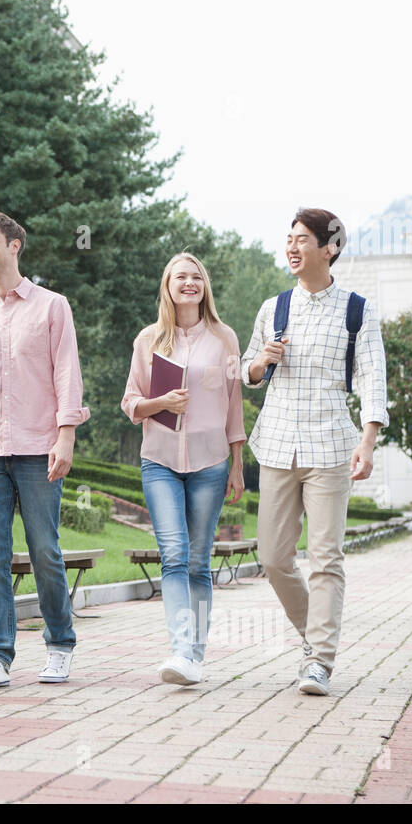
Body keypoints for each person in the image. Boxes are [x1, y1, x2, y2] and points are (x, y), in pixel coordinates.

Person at [241, 208, 389, 696]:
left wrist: (367, 441)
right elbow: (246, 371)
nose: (292, 246)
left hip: (330, 447)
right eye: (289, 238)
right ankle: (315, 638)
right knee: (274, 557)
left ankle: (320, 661)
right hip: (278, 445)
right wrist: (261, 360)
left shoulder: (356, 310)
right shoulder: (273, 308)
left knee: (325, 558)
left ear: (330, 248)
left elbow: (372, 377)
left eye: (302, 239)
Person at [0, 212, 90, 690]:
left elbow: (67, 372)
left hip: (37, 446)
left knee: (45, 551)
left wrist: (66, 434)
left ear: (15, 247)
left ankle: (60, 645)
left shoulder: (52, 307)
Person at [121, 253, 246, 686]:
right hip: (160, 461)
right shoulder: (149, 340)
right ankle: (179, 650)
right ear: (168, 286)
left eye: (196, 277)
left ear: (204, 286)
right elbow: (131, 402)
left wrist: (237, 464)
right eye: (180, 277)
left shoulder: (225, 338)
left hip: (212, 462)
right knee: (173, 555)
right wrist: (162, 404)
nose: (189, 283)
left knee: (197, 560)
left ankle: (195, 654)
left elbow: (234, 403)